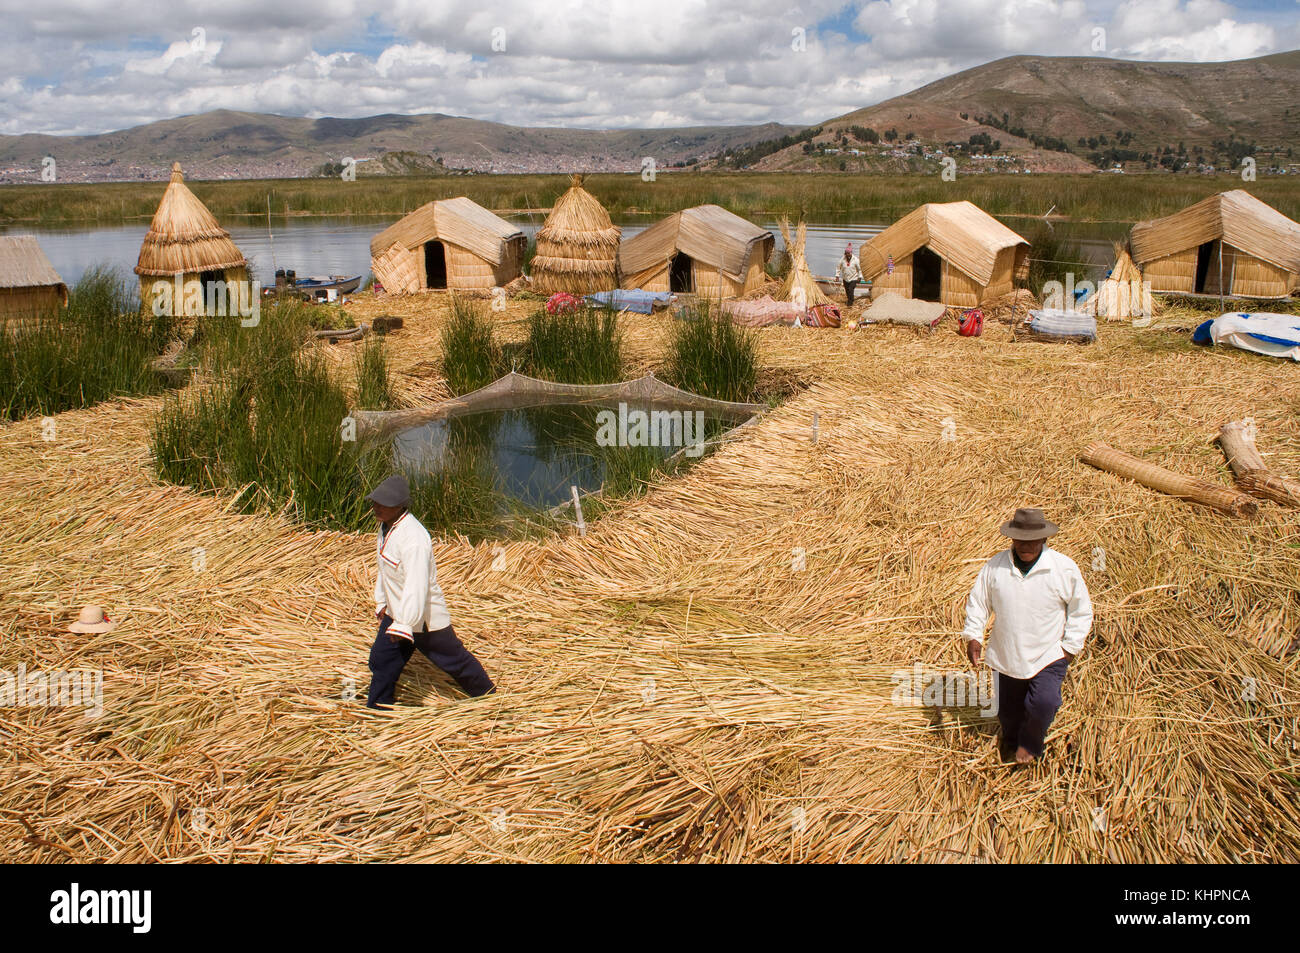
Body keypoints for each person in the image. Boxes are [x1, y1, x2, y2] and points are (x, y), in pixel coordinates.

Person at [962, 508, 1092, 765]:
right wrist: (973, 636)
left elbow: (1081, 609)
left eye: (1032, 540)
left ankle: (1029, 747)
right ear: (1012, 539)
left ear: (1044, 540)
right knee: (1008, 712)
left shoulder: (1063, 569)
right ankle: (1011, 746)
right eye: (1019, 539)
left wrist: (1069, 648)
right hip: (1006, 654)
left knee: (1044, 703)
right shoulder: (996, 566)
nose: (1025, 545)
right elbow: (979, 602)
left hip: (1048, 655)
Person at [365, 474, 495, 708]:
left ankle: (489, 696)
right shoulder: (385, 527)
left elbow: (417, 584)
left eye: (382, 503)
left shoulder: (414, 538)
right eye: (375, 502)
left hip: (424, 620)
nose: (376, 507)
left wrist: (404, 624)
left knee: (455, 661)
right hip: (398, 614)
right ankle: (378, 710)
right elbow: (383, 569)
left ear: (399, 505)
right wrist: (382, 602)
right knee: (381, 660)